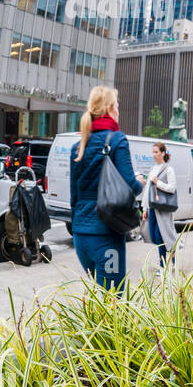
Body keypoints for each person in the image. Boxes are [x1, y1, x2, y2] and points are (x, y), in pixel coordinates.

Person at [70, 86, 143, 290]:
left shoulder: (77, 147)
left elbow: (74, 197)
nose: (118, 109)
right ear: (110, 108)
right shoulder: (117, 140)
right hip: (106, 235)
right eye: (117, 105)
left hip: (80, 236)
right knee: (114, 303)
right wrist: (141, 182)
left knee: (100, 300)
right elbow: (130, 186)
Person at [142, 141, 178, 268]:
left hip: (162, 208)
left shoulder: (169, 169)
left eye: (156, 152)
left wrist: (159, 183)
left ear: (163, 153)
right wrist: (145, 208)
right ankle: (173, 254)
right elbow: (148, 191)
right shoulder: (153, 169)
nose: (154, 155)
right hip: (152, 208)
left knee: (161, 236)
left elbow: (172, 188)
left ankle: (162, 265)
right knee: (154, 236)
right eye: (153, 152)